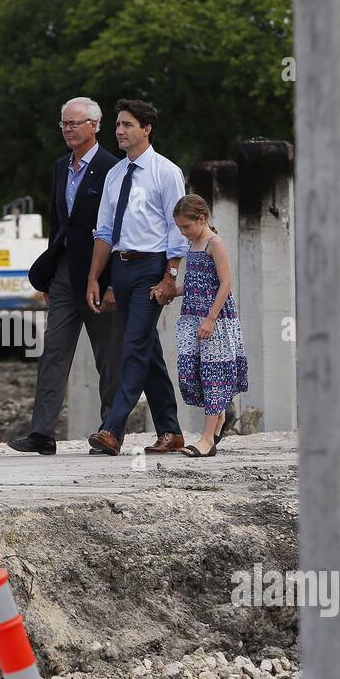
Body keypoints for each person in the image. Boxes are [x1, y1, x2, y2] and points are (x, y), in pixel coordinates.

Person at [8, 98, 123, 456]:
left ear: (95, 125)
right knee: (53, 352)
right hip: (61, 275)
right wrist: (46, 276)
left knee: (109, 355)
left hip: (100, 275)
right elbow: (60, 225)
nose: (68, 129)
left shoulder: (113, 169)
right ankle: (42, 433)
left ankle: (111, 430)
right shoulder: (61, 167)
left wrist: (114, 282)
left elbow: (119, 229)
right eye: (64, 124)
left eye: (75, 123)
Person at [84, 99, 190, 457]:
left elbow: (178, 230)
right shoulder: (115, 174)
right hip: (122, 268)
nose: (119, 130)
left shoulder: (166, 172)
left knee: (132, 349)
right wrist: (96, 278)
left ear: (146, 129)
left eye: (127, 124)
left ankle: (112, 430)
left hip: (151, 267)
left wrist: (170, 277)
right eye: (117, 125)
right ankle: (171, 432)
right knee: (146, 351)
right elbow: (103, 232)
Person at [169, 194, 248, 456]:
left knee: (213, 375)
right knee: (189, 374)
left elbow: (225, 283)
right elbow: (195, 284)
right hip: (191, 317)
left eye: (186, 227)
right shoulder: (192, 246)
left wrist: (211, 319)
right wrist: (170, 292)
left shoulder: (215, 243)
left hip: (215, 319)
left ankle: (206, 440)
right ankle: (221, 414)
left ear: (201, 219)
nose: (183, 233)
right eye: (179, 228)